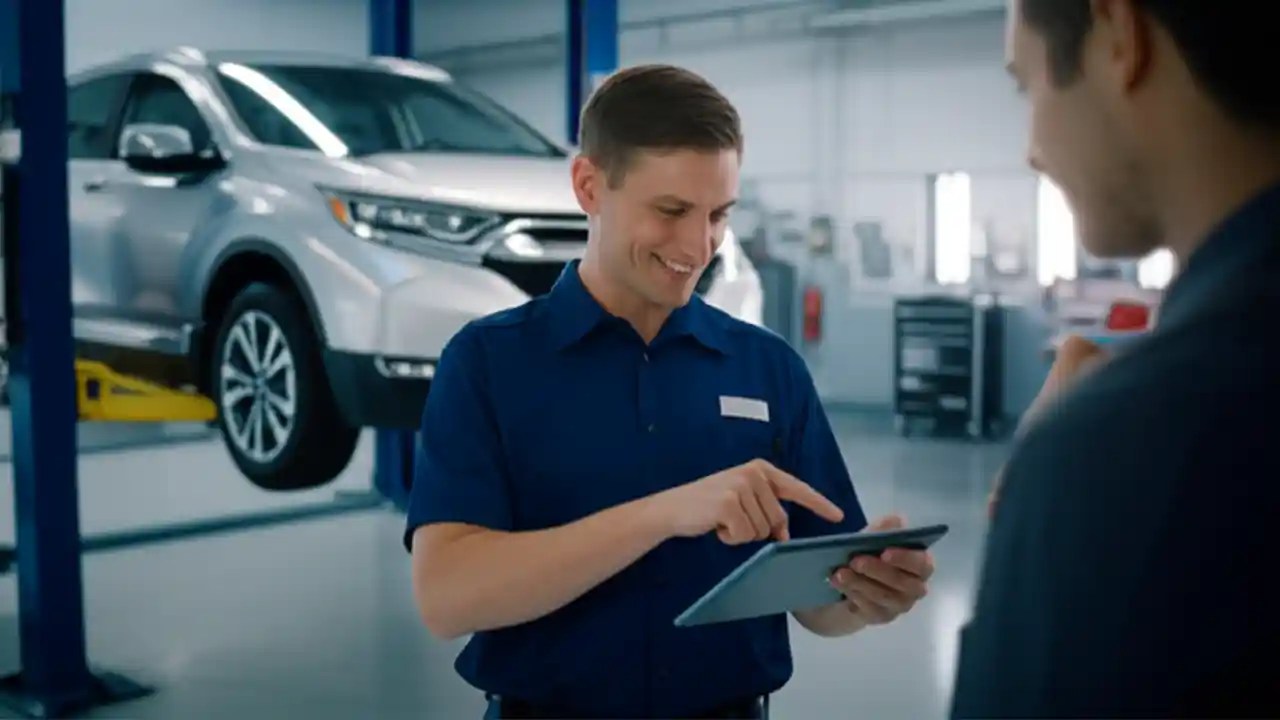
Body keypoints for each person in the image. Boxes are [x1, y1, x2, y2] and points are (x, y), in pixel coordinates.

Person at [404, 64, 935, 720]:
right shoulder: (487, 363)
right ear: (589, 186)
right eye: (672, 211)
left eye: (718, 215)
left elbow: (818, 606)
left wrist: (865, 594)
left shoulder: (769, 369)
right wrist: (664, 513)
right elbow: (447, 596)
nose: (699, 245)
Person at [952, 0, 1280, 717]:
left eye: (1025, 85)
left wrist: (1062, 465)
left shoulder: (1122, 451)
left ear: (1118, 37)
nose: (1031, 149)